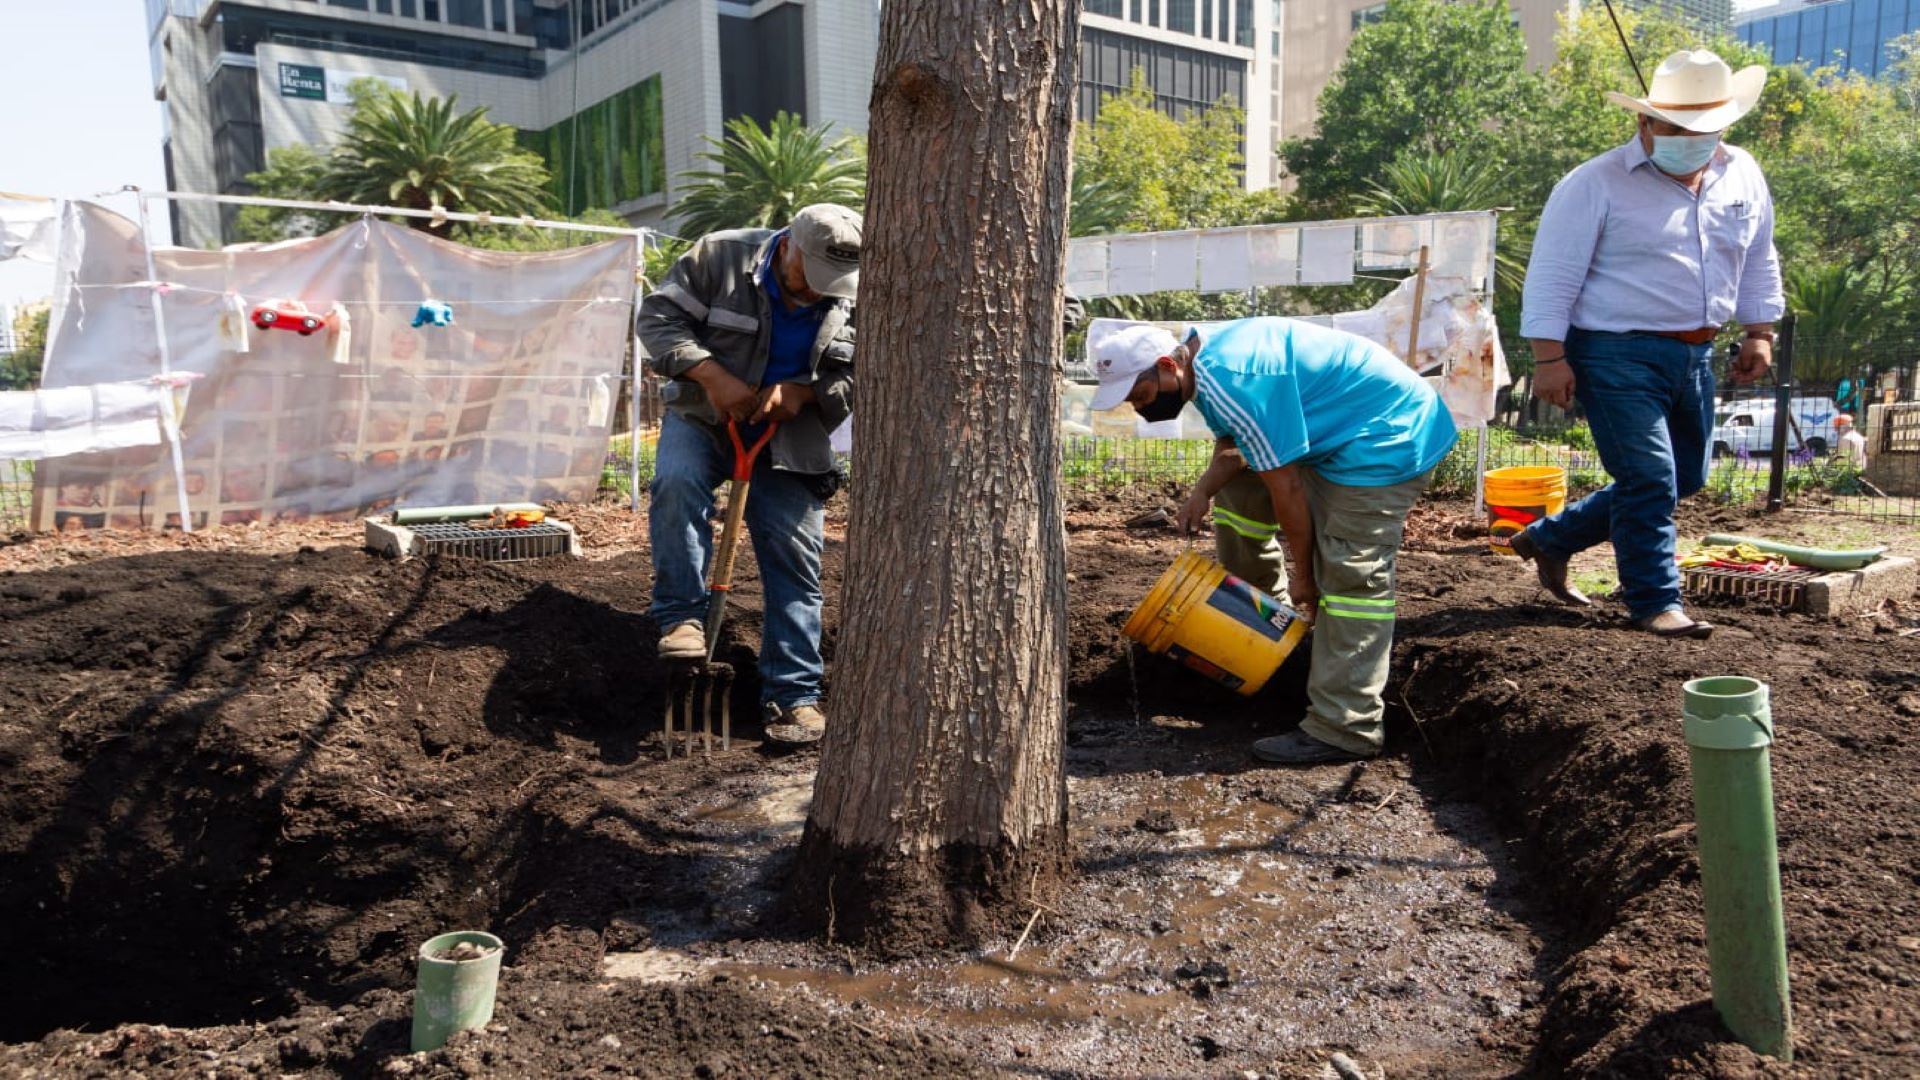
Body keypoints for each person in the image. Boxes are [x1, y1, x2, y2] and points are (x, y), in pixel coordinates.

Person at [1088, 318, 1457, 765]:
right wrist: (1202, 491)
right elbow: (1236, 441)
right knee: (1238, 490)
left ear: (1168, 366)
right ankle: (1271, 629)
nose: (1141, 408)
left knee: (1349, 573)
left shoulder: (1234, 377)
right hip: (1335, 434)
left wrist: (1306, 576)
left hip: (1386, 436)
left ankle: (1345, 725)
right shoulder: (1203, 359)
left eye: (1142, 395)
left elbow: (1287, 492)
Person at [1515, 49, 1783, 640]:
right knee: (1650, 477)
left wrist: (1759, 330)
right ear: (1645, 123)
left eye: (1704, 130)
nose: (1692, 140)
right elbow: (1553, 275)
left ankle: (1551, 538)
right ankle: (1654, 601)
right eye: (1678, 129)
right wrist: (1549, 358)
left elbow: (1759, 257)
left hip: (1696, 353)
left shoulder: (1742, 173)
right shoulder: (1592, 183)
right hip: (1614, 351)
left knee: (1683, 476)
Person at [637, 203, 860, 745]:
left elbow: (873, 369)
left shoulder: (859, 286)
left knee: (794, 556)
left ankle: (792, 698)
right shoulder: (720, 256)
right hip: (706, 415)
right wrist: (711, 375)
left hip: (792, 430)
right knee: (677, 484)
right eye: (814, 275)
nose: (821, 291)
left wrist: (809, 392)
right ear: (788, 248)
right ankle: (682, 621)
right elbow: (657, 320)